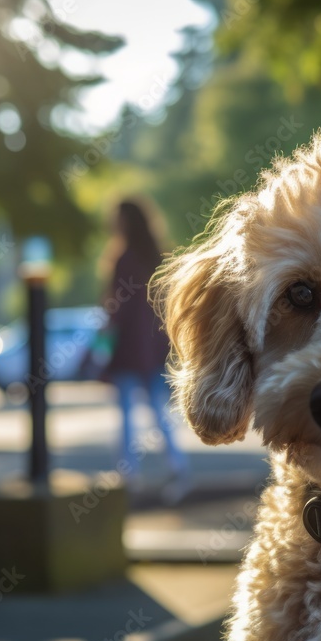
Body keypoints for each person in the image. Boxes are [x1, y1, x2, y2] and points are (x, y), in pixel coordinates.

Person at [100, 198, 190, 500]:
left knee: (125, 412)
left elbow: (116, 308)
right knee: (158, 411)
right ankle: (177, 465)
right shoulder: (157, 257)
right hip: (154, 347)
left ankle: (128, 474)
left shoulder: (123, 259)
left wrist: (102, 340)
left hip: (128, 348)